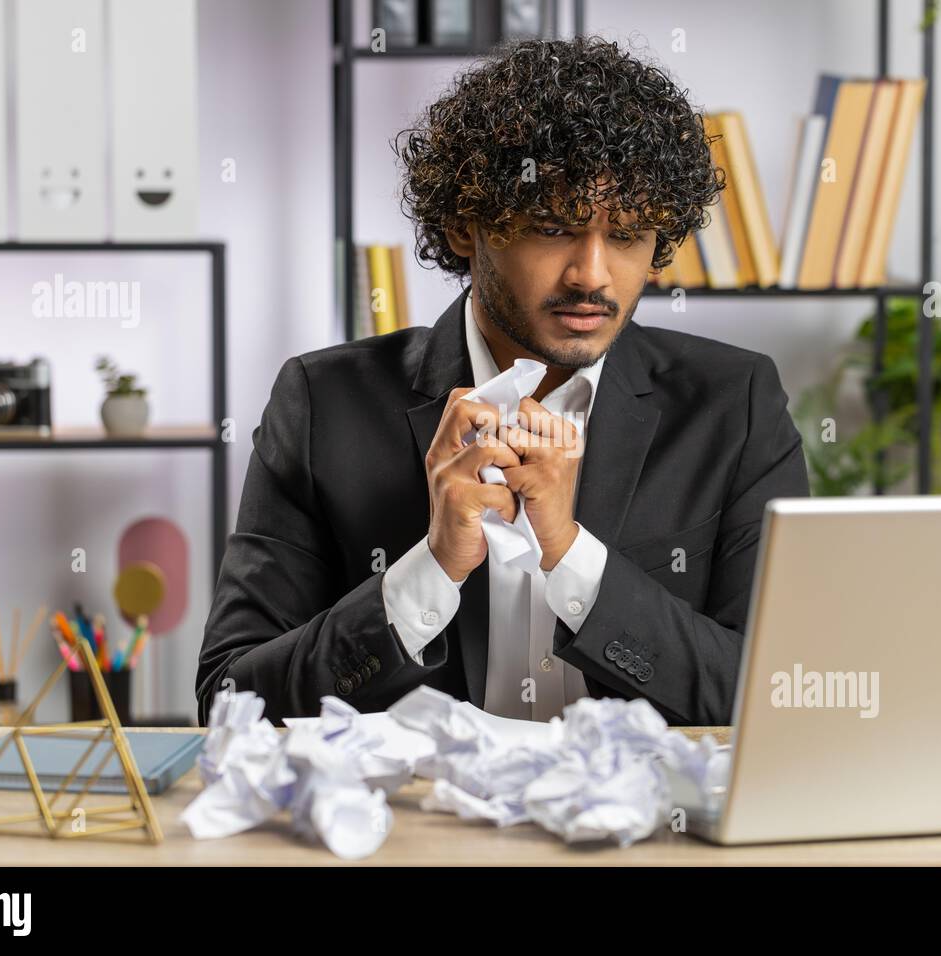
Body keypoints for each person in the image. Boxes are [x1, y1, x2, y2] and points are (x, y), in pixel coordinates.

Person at [196, 36, 810, 727]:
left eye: (630, 235)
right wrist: (429, 571)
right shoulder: (322, 404)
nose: (592, 275)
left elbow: (775, 696)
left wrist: (571, 554)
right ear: (466, 225)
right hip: (418, 829)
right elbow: (228, 702)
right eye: (554, 228)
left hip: (646, 826)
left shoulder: (735, 405)